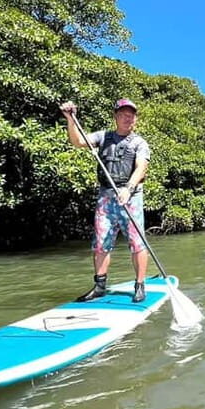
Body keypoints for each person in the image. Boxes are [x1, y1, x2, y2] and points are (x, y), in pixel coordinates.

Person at [60, 98, 151, 303]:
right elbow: (78, 142)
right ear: (116, 116)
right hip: (106, 197)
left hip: (131, 197)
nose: (128, 118)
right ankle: (100, 286)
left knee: (137, 243)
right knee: (101, 244)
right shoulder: (103, 136)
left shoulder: (140, 143)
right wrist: (70, 119)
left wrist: (128, 189)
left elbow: (141, 168)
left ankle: (139, 285)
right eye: (124, 114)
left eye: (132, 115)